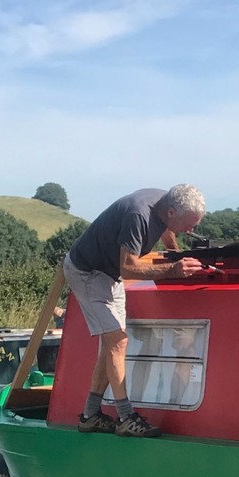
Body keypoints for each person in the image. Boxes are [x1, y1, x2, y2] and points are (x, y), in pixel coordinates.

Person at [63, 185, 206, 438]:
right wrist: (173, 271)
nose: (191, 230)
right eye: (189, 224)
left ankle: (90, 415)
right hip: (88, 273)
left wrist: (177, 255)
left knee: (111, 346)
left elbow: (167, 232)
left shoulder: (165, 203)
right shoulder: (138, 215)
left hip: (109, 275)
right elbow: (128, 268)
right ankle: (127, 418)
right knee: (118, 342)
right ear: (172, 211)